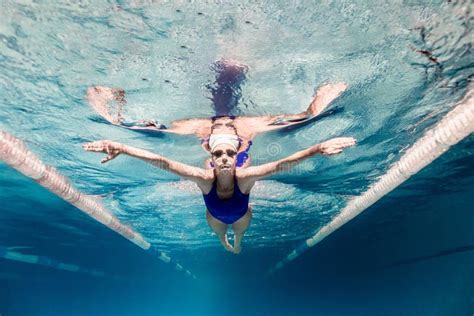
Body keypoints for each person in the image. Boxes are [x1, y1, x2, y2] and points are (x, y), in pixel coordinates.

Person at [84, 60, 356, 253]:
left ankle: (235, 243)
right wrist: (122, 146)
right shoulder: (204, 178)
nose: (225, 157)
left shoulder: (245, 177)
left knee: (239, 232)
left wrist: (318, 148)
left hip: (238, 211)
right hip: (216, 213)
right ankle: (225, 243)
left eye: (229, 152)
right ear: (211, 157)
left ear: (237, 151)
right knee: (219, 233)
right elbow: (163, 163)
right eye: (219, 153)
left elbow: (281, 165)